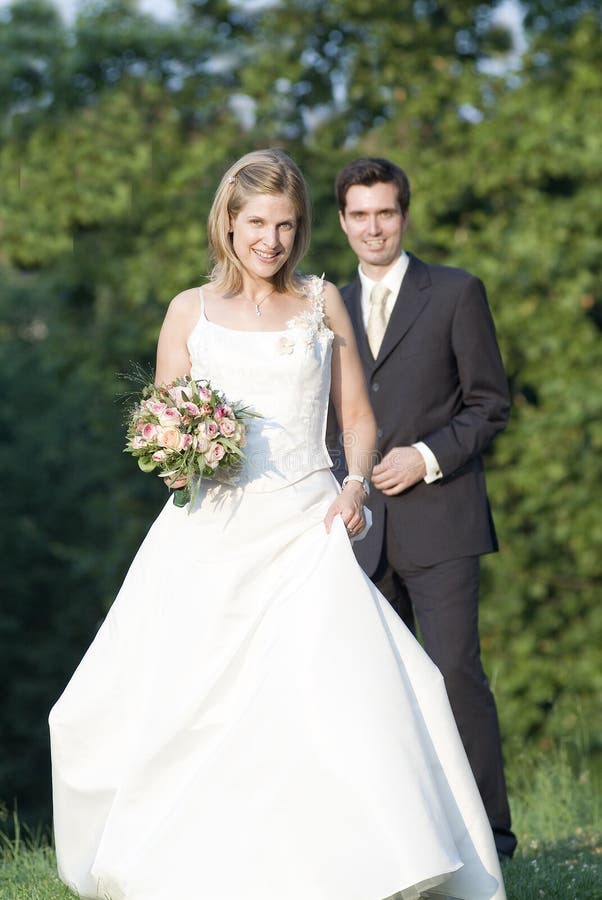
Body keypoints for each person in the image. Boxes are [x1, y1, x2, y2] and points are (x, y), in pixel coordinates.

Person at [49, 148, 507, 900]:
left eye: (287, 225)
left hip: (307, 523)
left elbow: (356, 417)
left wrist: (354, 485)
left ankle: (348, 862)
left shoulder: (322, 302)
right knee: (193, 701)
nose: (272, 240)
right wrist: (177, 460)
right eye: (258, 223)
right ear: (228, 223)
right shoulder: (187, 311)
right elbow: (165, 425)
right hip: (211, 534)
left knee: (322, 697)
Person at [330, 156, 516, 861]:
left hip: (443, 523)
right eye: (360, 215)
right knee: (374, 691)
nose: (373, 228)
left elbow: (490, 404)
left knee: (455, 677)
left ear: (403, 215)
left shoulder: (457, 292)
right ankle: (402, 844)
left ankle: (491, 841)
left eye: (385, 212)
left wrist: (426, 456)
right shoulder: (327, 306)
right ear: (343, 221)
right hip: (361, 532)